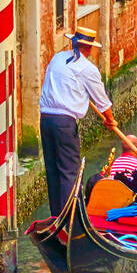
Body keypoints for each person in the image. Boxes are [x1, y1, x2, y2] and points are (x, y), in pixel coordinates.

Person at [39, 26, 117, 216]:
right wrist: (110, 120)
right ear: (89, 48)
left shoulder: (57, 58)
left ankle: (56, 215)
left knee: (53, 170)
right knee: (69, 172)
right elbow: (102, 101)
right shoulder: (87, 69)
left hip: (45, 119)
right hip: (64, 124)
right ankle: (68, 218)